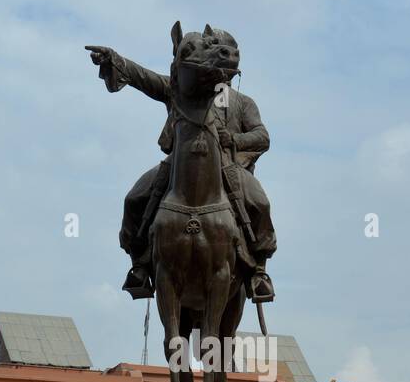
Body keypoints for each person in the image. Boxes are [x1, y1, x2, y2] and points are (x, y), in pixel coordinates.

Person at [87, 26, 277, 302]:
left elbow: (262, 136)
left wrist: (231, 138)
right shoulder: (178, 89)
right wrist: (115, 59)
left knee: (260, 203)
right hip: (179, 164)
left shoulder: (243, 103)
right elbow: (144, 79)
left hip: (227, 167)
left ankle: (259, 271)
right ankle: (140, 264)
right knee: (134, 198)